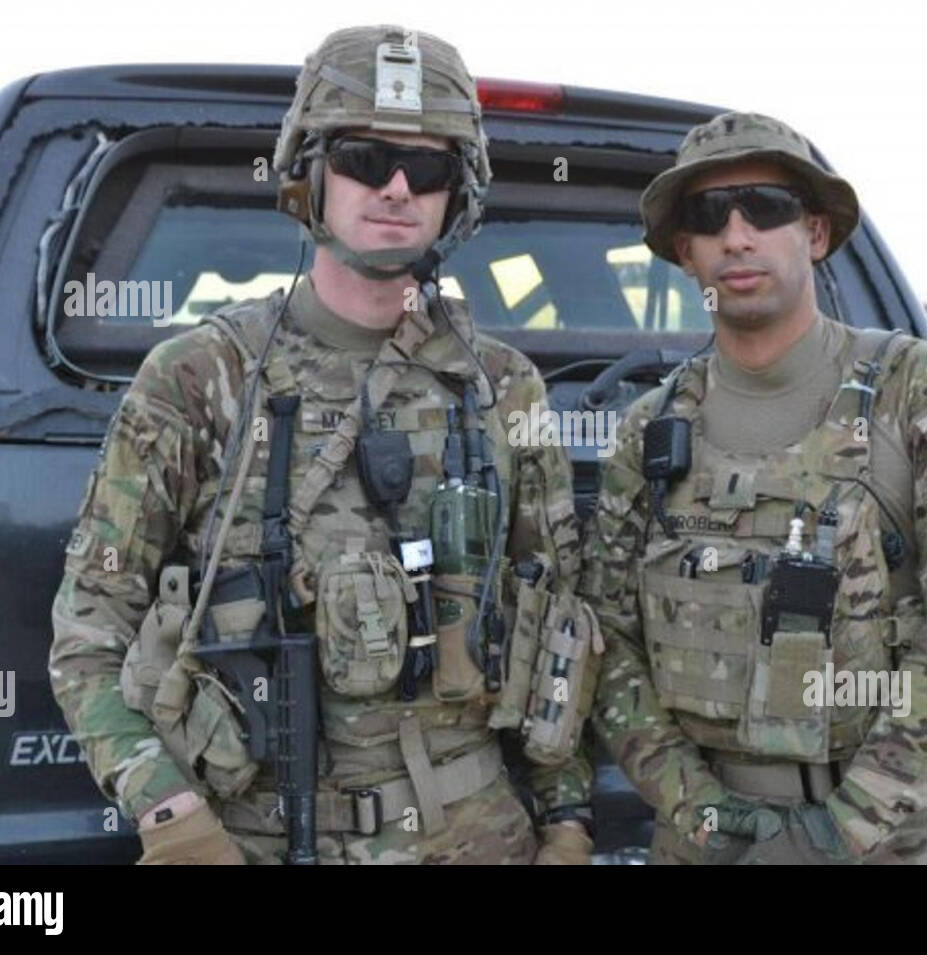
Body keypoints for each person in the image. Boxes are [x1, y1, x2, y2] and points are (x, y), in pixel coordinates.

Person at [51, 25, 597, 865]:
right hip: (257, 838)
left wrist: (568, 825)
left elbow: (560, 625)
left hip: (478, 837)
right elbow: (89, 637)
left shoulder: (502, 388)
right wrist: (172, 817)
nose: (399, 188)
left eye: (432, 168)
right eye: (366, 159)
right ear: (308, 171)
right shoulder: (200, 379)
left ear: (462, 193)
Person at [582, 111, 927, 864]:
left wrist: (840, 827)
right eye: (710, 215)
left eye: (765, 208)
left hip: (905, 826)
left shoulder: (921, 389)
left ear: (813, 232)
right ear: (685, 250)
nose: (737, 235)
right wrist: (700, 811)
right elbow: (606, 638)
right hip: (712, 835)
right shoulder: (651, 432)